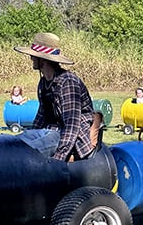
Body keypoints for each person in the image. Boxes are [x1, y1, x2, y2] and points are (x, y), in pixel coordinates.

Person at [14, 31, 97, 161]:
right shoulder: (44, 83)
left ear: (42, 60)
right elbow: (41, 117)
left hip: (70, 136)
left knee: (28, 153)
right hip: (50, 131)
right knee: (14, 145)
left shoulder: (67, 82)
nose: (31, 59)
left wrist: (59, 158)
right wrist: (30, 134)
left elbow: (71, 125)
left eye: (33, 56)